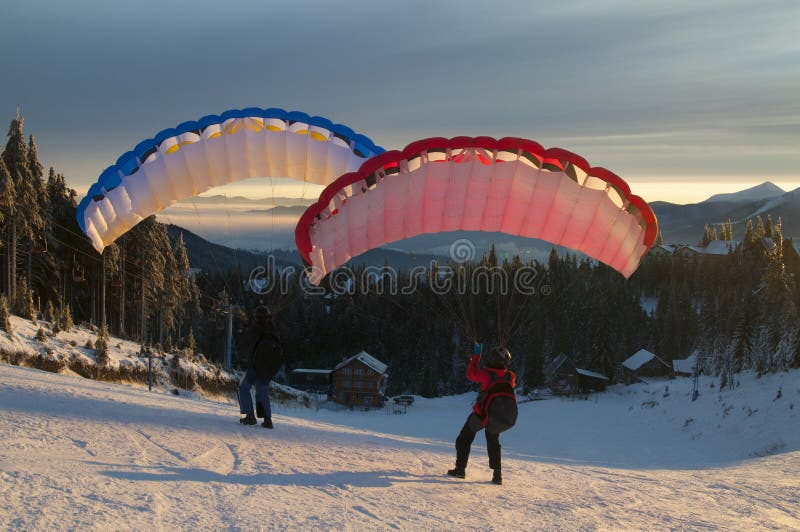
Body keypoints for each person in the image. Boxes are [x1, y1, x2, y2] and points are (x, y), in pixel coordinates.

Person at [448, 344, 516, 485]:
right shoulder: (511, 376)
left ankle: (460, 470)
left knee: (464, 438)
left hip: (482, 414)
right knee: (493, 441)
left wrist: (476, 357)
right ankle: (497, 475)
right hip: (498, 416)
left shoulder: (486, 374)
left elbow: (471, 374)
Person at [237, 305, 284, 428]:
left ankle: (249, 416)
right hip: (268, 369)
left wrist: (244, 330)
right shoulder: (274, 330)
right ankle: (267, 420)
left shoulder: (254, 329)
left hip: (254, 366)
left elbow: (246, 345)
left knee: (243, 387)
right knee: (262, 391)